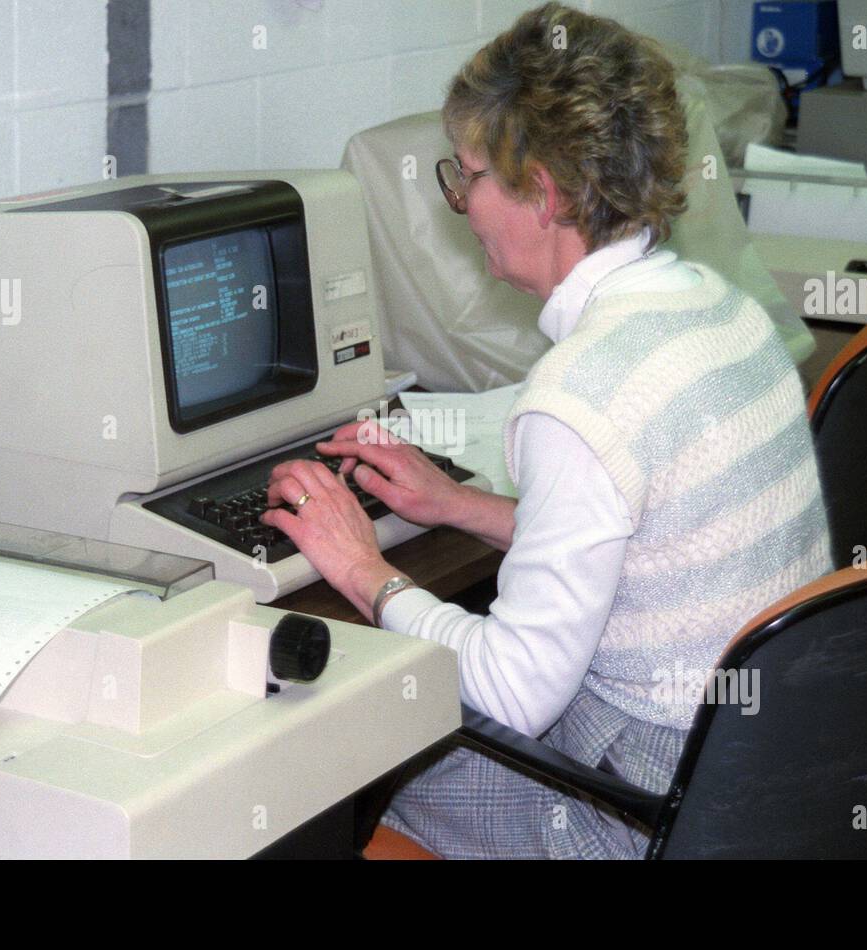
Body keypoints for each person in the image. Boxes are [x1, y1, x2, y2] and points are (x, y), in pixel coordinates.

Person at [261, 2, 832, 858]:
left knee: (344, 779)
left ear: (542, 191)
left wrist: (362, 570)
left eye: (470, 176)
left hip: (638, 810)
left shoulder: (580, 393)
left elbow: (513, 692)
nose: (462, 203)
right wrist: (461, 506)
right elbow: (643, 543)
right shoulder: (730, 317)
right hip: (756, 777)